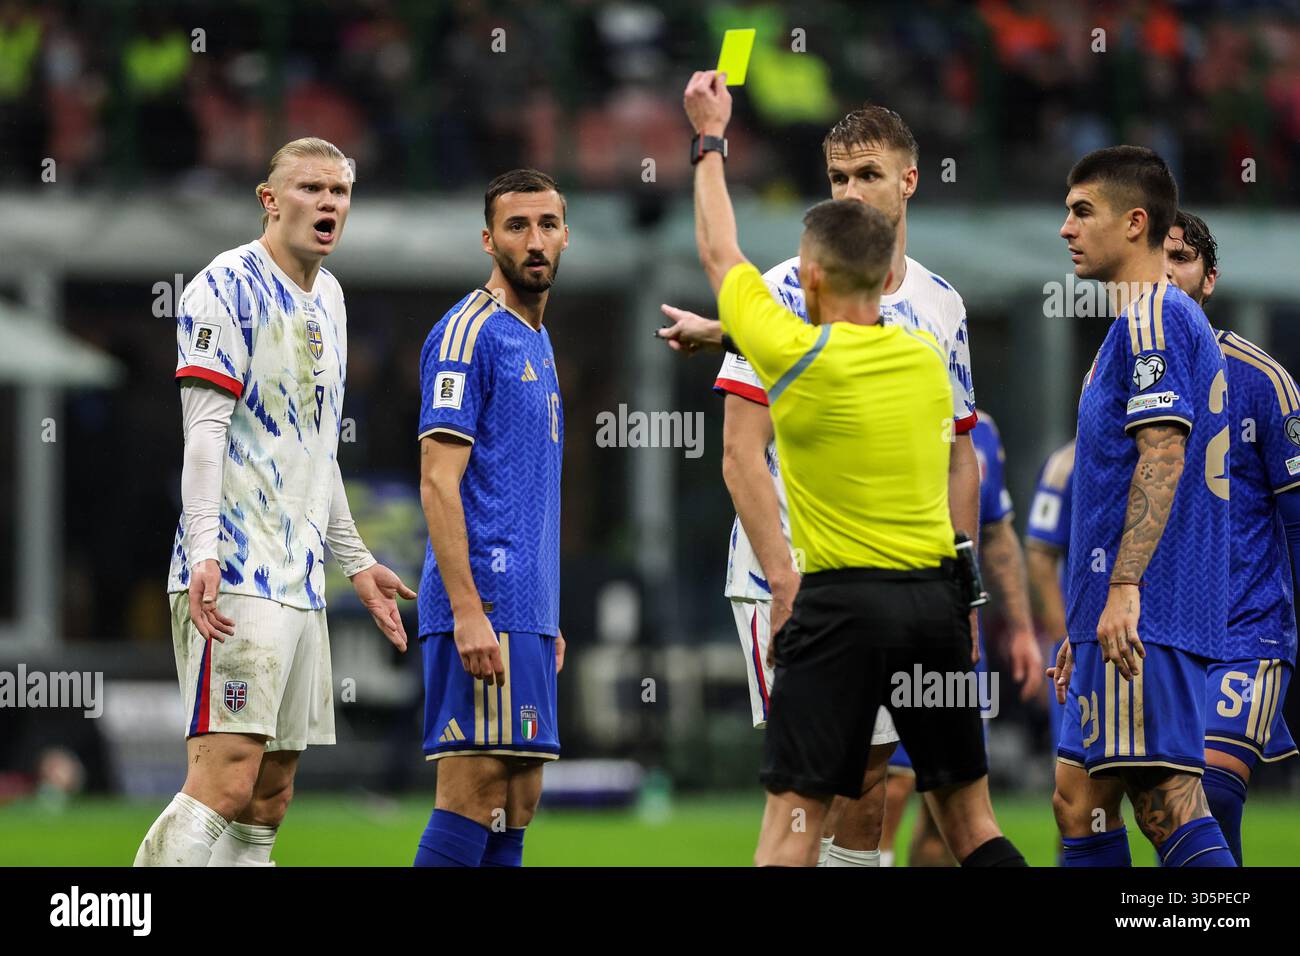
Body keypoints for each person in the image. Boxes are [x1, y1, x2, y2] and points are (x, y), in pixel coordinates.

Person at [661, 69, 1025, 867]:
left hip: (873, 591)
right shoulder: (803, 296)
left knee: (860, 797)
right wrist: (786, 580)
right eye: (838, 177)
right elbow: (738, 453)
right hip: (799, 580)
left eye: (868, 174)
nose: (853, 192)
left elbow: (958, 457)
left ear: (909, 180)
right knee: (893, 804)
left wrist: (965, 585)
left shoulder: (936, 306)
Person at [137, 137, 416, 867]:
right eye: (311, 188)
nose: (328, 204)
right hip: (232, 572)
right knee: (225, 778)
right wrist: (203, 552)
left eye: (340, 192)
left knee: (270, 791)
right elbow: (203, 434)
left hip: (299, 581)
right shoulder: (222, 287)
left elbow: (317, 448)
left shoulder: (332, 299)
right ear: (270, 199)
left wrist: (354, 561)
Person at [1051, 209, 1297, 866]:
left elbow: (1295, 522)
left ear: (1208, 279)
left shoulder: (1264, 381)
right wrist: (1081, 622)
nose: (1168, 270)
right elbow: (1101, 507)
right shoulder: (1121, 353)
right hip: (1139, 619)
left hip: (1244, 632)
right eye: (1163, 254)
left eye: (1182, 259)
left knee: (1192, 796)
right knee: (1079, 801)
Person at [1050, 147, 1235, 867]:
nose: (1065, 228)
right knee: (1079, 799)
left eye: (1081, 211)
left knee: (1166, 804)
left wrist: (1124, 588)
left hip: (1148, 609)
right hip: (1123, 608)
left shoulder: (1154, 318)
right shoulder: (1137, 326)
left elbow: (1162, 454)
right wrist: (1092, 600)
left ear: (1134, 223)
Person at [412, 168, 568, 867]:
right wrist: (471, 610)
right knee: (474, 787)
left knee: (518, 794)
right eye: (516, 226)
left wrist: (545, 614)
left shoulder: (537, 339)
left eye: (546, 225)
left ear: (565, 235)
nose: (534, 241)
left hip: (524, 610)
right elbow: (438, 483)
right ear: (488, 239)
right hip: (483, 604)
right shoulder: (466, 334)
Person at [877, 410, 1042, 866]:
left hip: (957, 634)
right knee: (887, 786)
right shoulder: (881, 396)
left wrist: (1024, 630)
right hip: (886, 620)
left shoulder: (981, 430)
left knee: (950, 806)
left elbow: (995, 531)